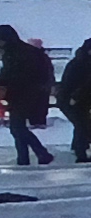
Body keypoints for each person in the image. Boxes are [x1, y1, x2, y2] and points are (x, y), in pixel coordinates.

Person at [0, 25, 57, 166]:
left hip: (24, 94)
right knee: (17, 128)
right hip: (23, 94)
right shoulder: (17, 50)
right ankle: (26, 157)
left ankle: (40, 154)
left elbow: (16, 74)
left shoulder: (17, 53)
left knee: (17, 127)